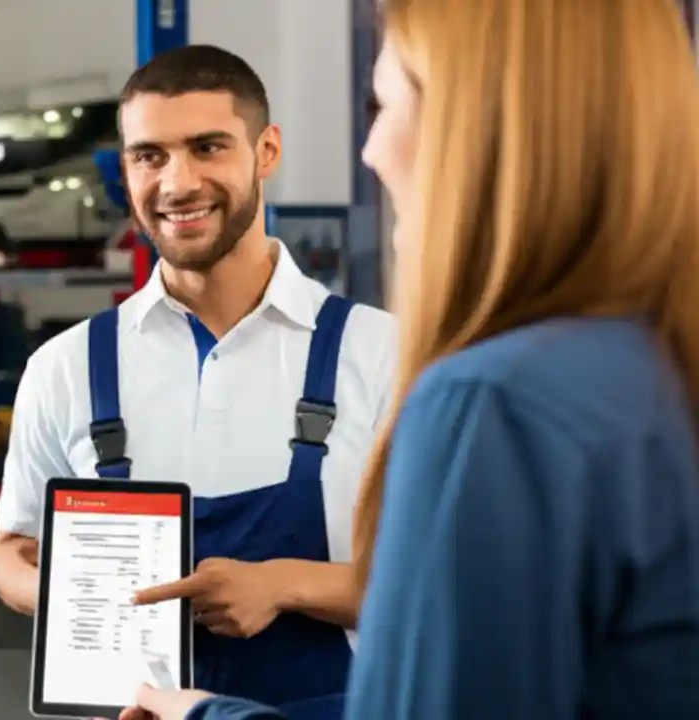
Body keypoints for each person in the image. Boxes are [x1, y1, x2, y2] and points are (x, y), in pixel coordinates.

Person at [118, 0, 699, 718]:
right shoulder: (651, 370)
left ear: (478, 132)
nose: (370, 149)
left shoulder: (494, 402)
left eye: (384, 103)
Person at [0, 44, 398, 713]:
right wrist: (88, 597)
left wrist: (284, 585)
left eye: (208, 147)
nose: (177, 183)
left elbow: (440, 585)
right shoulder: (64, 368)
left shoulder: (382, 355)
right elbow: (12, 550)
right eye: (150, 155)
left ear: (265, 152)